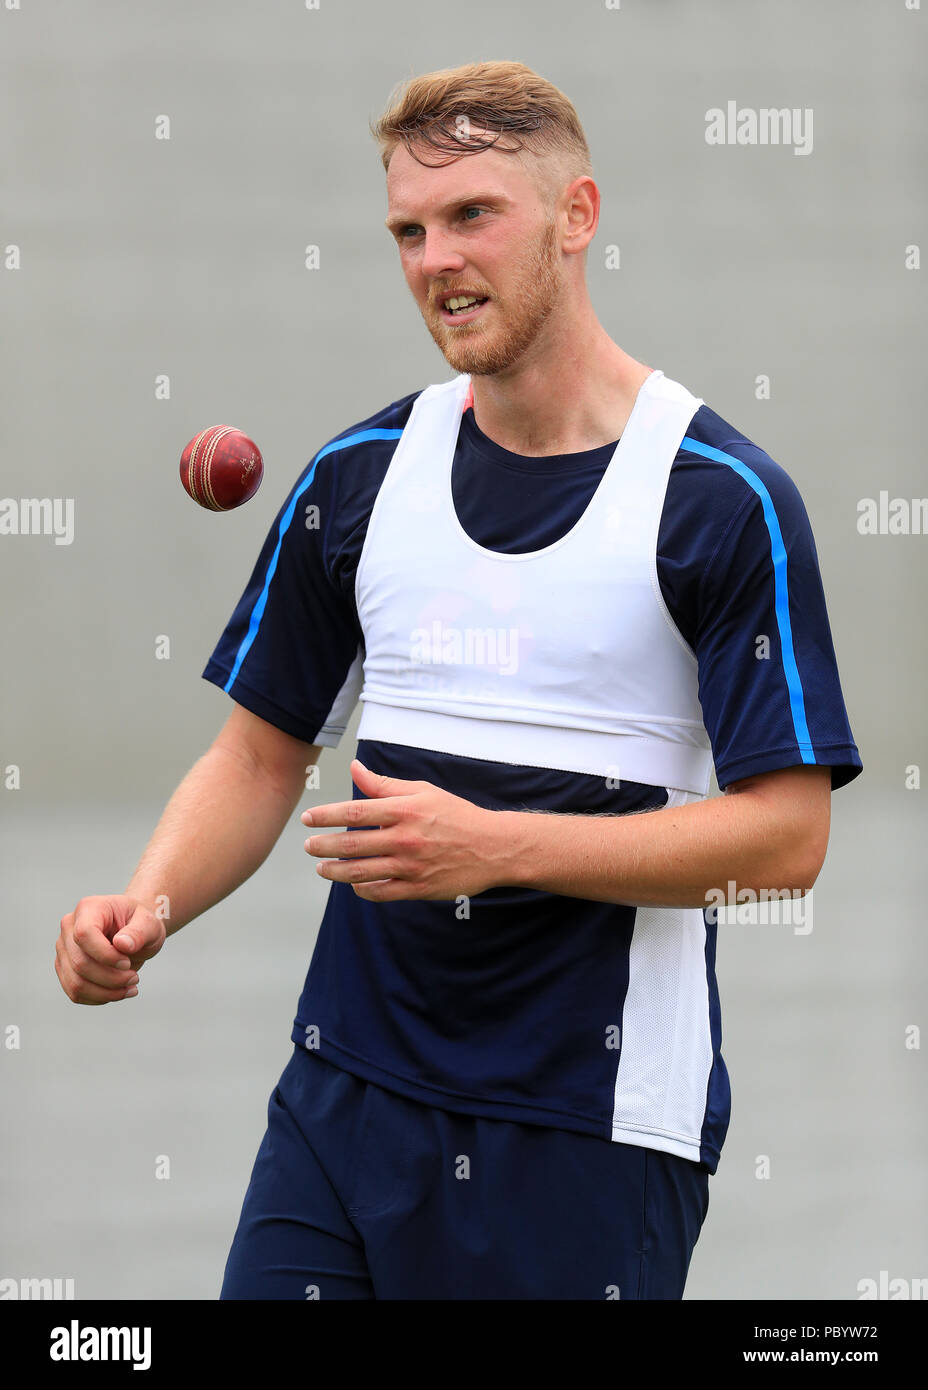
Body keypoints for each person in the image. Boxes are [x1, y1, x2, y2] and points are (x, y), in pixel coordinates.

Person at [55, 60, 862, 1300]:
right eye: (408, 231)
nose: (436, 258)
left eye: (473, 214)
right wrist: (147, 906)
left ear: (576, 215)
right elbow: (259, 754)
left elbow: (787, 839)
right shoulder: (360, 473)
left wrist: (498, 846)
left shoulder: (720, 500)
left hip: (586, 1133)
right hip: (342, 1100)